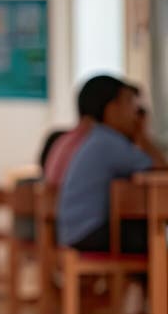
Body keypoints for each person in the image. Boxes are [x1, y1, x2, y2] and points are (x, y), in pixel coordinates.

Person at [58, 78, 166, 254]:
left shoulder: (98, 138)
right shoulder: (109, 142)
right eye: (130, 103)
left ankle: (153, 280)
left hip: (76, 231)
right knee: (156, 236)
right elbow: (160, 169)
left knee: (147, 232)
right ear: (112, 109)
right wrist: (143, 135)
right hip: (89, 231)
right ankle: (158, 280)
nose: (135, 113)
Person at [45, 75, 125, 187]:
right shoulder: (102, 141)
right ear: (111, 108)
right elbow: (155, 166)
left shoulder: (64, 140)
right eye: (128, 104)